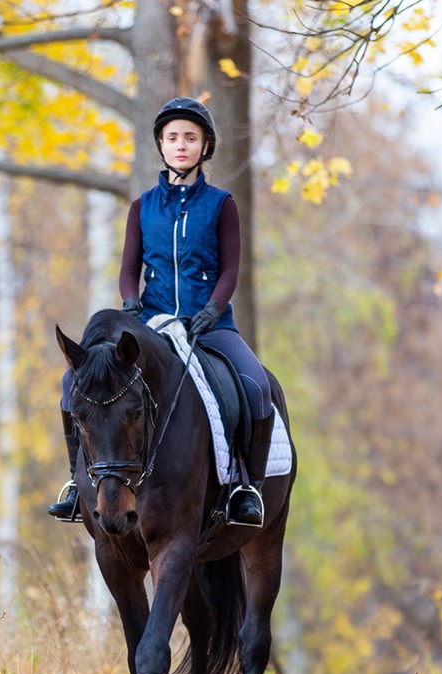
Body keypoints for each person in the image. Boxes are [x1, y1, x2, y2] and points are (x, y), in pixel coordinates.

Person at [50, 96, 275, 527]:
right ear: (162, 145)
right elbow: (127, 269)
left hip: (208, 326)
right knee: (70, 381)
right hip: (150, 326)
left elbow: (231, 269)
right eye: (173, 138)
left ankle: (248, 488)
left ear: (205, 146)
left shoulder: (222, 204)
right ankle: (76, 485)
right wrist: (130, 301)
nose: (181, 145)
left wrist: (214, 309)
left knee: (257, 384)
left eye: (190, 138)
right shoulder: (142, 207)